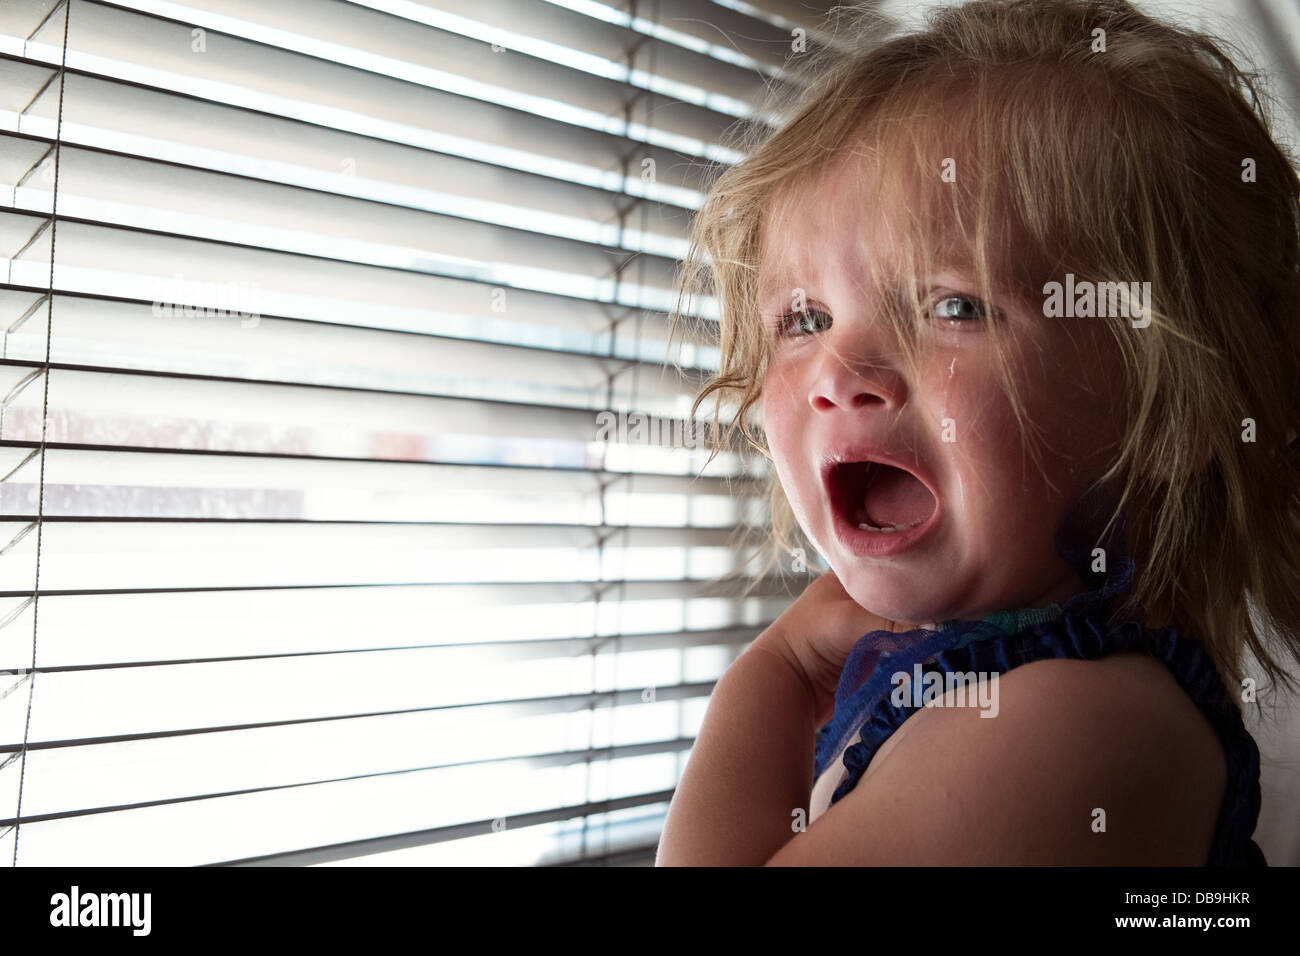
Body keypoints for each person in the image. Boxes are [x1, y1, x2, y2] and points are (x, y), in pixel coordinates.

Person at [655, 0, 1300, 866]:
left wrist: (769, 682)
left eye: (953, 305)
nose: (841, 377)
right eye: (804, 317)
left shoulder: (1069, 725)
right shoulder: (984, 686)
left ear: (1170, 413)